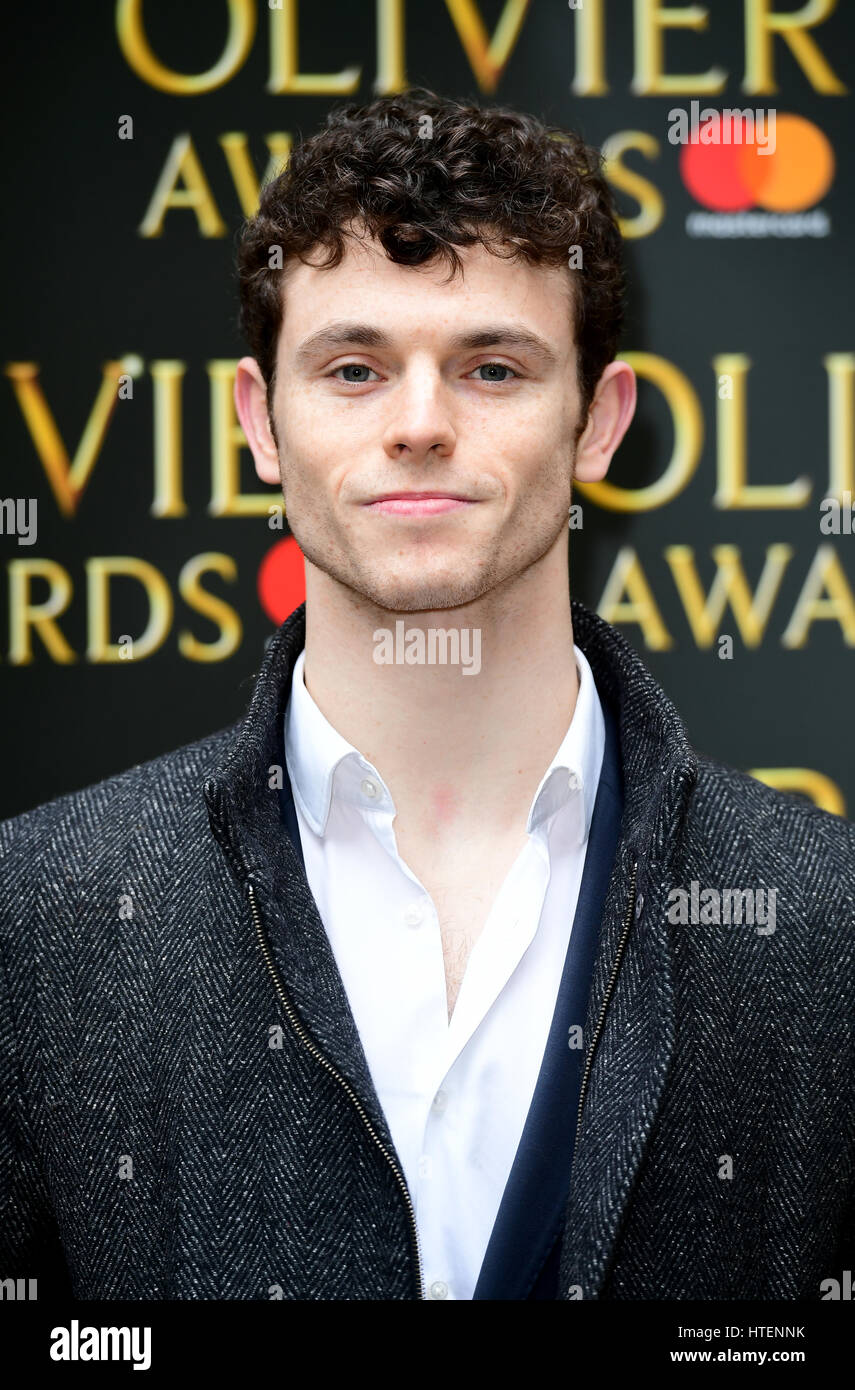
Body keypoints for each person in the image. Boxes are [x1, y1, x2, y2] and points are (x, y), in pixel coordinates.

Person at [1, 89, 852, 1303]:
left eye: (492, 367)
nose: (418, 425)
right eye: (353, 367)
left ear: (599, 423)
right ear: (261, 420)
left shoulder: (828, 927)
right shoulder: (38, 921)